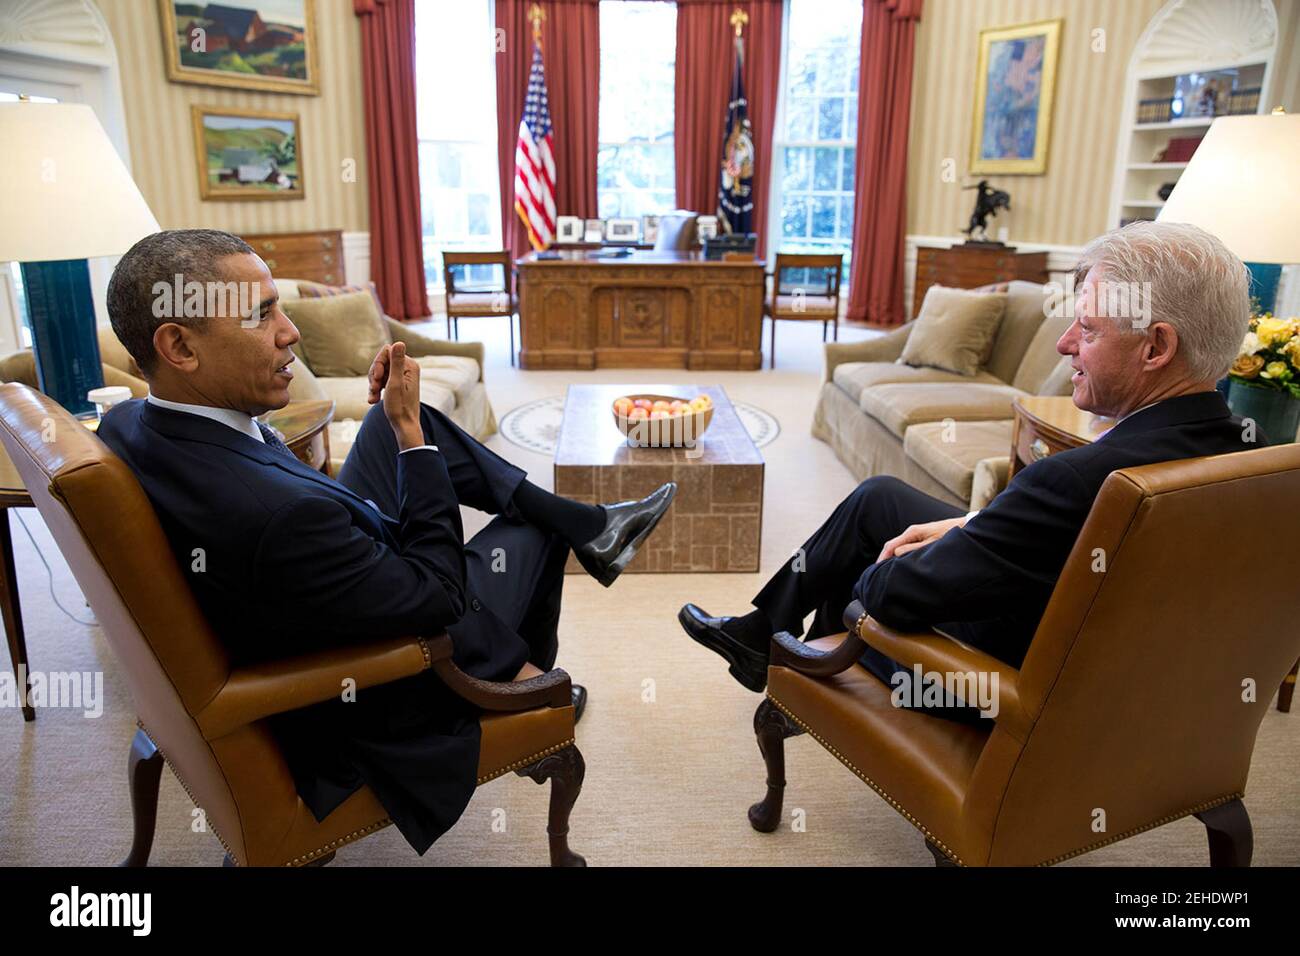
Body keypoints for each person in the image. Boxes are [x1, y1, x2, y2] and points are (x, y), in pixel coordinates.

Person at [97, 229, 676, 854]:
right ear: (178, 345)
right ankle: (519, 680)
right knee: (525, 528)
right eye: (261, 315)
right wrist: (411, 439)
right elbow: (440, 595)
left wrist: (396, 432)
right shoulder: (278, 518)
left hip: (329, 575)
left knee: (385, 420)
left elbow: (285, 508)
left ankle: (588, 528)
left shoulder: (128, 421)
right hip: (376, 675)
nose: (289, 332)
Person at [679, 220, 1260, 719]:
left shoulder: (1075, 480)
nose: (1063, 345)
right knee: (879, 499)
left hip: (990, 680)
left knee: (868, 561)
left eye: (1086, 328)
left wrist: (911, 557)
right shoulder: (1248, 458)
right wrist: (974, 524)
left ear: (1156, 347)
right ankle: (760, 633)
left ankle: (806, 685)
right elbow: (1047, 539)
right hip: (1116, 674)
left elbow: (888, 594)